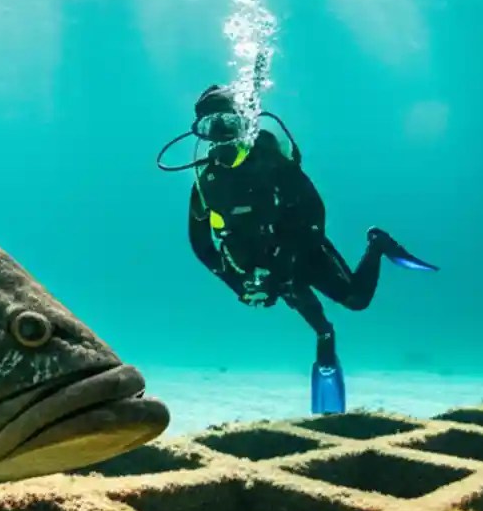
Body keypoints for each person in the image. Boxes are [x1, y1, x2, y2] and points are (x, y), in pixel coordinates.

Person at [155, 83, 438, 414]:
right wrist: (237, 284)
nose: (220, 138)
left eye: (226, 125)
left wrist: (284, 264)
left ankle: (378, 244)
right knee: (318, 323)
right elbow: (201, 245)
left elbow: (315, 216)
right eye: (209, 129)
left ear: (244, 123)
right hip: (264, 264)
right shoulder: (206, 184)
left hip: (304, 249)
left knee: (356, 301)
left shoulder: (273, 162)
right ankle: (325, 346)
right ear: (199, 134)